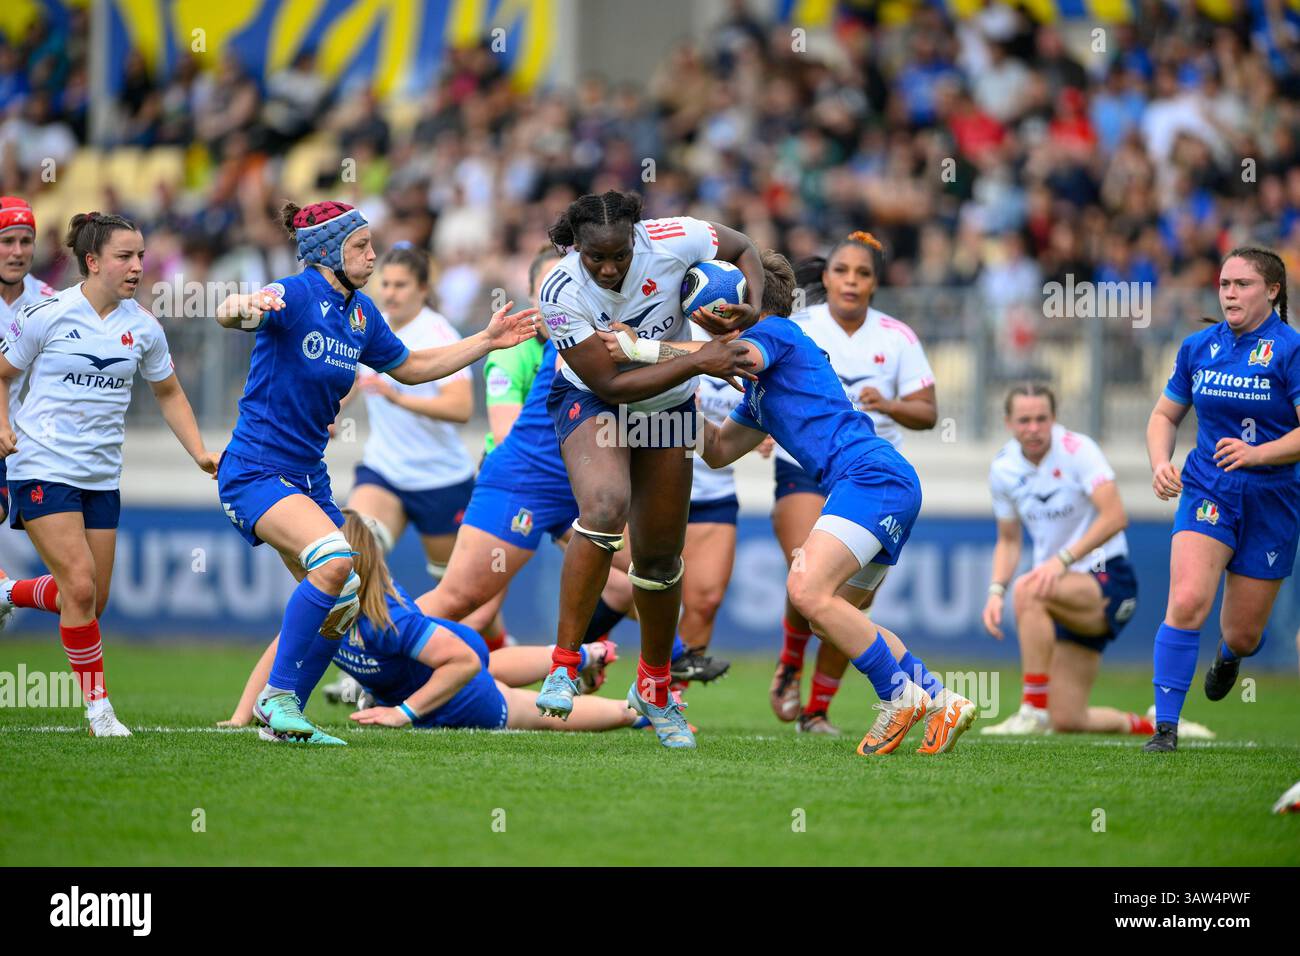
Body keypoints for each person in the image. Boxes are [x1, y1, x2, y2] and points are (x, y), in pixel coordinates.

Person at [624, 250, 976, 755]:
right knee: (829, 613)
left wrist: (642, 350)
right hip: (883, 481)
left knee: (806, 590)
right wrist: (665, 416)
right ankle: (942, 702)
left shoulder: (778, 334)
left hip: (869, 476)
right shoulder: (762, 391)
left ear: (735, 302)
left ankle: (899, 698)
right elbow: (721, 450)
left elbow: (734, 357)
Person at [212, 199, 536, 745]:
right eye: (360, 246)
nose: (372, 255)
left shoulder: (360, 314)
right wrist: (243, 304)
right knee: (336, 561)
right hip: (256, 470)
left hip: (307, 477)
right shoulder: (295, 293)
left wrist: (484, 341)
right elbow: (230, 313)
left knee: (344, 596)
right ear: (326, 253)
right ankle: (278, 699)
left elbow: (410, 367)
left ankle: (283, 713)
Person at [414, 245, 728, 684]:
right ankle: (371, 655)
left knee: (647, 574)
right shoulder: (574, 343)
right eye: (549, 292)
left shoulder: (607, 326)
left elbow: (649, 383)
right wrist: (703, 357)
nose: (558, 304)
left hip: (586, 490)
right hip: (529, 481)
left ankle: (652, 669)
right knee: (463, 599)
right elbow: (632, 376)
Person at [532, 190, 762, 749]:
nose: (609, 268)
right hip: (595, 401)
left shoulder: (676, 237)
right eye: (596, 258)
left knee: (660, 559)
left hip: (668, 409)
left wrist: (754, 311)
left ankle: (655, 688)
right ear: (574, 247)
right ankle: (564, 664)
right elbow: (609, 382)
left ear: (637, 236)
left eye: (619, 255)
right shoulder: (559, 290)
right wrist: (698, 358)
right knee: (606, 505)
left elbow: (745, 247)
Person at [0, 212, 218, 736]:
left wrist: (200, 453)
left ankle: (9, 594)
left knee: (92, 600)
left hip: (101, 475)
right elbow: (2, 375)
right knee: (77, 585)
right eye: (125, 256)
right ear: (92, 262)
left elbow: (168, 392)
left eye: (141, 256)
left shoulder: (143, 327)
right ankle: (100, 711)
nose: (138, 266)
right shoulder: (45, 314)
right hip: (41, 465)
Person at [221, 511, 634, 736]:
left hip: (459, 695)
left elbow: (465, 663)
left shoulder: (387, 621)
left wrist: (403, 713)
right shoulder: (321, 607)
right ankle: (586, 655)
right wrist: (242, 717)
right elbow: (278, 654)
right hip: (442, 663)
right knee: (497, 668)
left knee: (536, 711)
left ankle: (635, 711)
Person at [768, 233, 937, 735]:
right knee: (809, 571)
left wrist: (890, 405)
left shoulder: (897, 337)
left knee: (844, 603)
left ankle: (818, 709)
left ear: (875, 283)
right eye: (842, 271)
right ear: (825, 276)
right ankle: (791, 664)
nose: (851, 281)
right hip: (805, 467)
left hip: (870, 470)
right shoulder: (798, 327)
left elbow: (928, 412)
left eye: (862, 274)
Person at [981, 383, 1212, 739]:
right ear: (1008, 422)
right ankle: (1156, 723)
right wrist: (996, 591)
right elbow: (1008, 541)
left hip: (1106, 578)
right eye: (1024, 420)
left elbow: (1115, 516)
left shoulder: (1078, 450)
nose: (1033, 428)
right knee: (1068, 719)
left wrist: (1062, 560)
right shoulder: (1003, 467)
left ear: (1054, 418)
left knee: (1028, 589)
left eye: (1041, 419)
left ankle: (1030, 711)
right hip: (1058, 591)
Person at [1144, 246, 1300, 752]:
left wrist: (1259, 454)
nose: (1229, 293)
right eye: (1224, 284)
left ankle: (1229, 655)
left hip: (1274, 497)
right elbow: (1164, 416)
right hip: (1209, 488)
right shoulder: (1198, 347)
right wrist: (1160, 463)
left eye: (1243, 284)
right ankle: (1165, 728)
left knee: (1245, 634)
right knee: (1187, 600)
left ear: (1272, 291)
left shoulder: (1290, 350)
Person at [343, 245, 476, 580]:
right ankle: (363, 633)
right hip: (384, 469)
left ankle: (495, 636)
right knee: (353, 557)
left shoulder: (439, 334)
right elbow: (353, 381)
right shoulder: (369, 324)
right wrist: (331, 414)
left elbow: (461, 408)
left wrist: (398, 398)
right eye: (385, 284)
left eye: (400, 285)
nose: (390, 293)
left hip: (440, 478)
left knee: (456, 589)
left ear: (422, 288)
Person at [0, 197, 54, 525]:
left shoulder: (48, 303)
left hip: (14, 441)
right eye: (6, 241)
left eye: (25, 241)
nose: (17, 252)